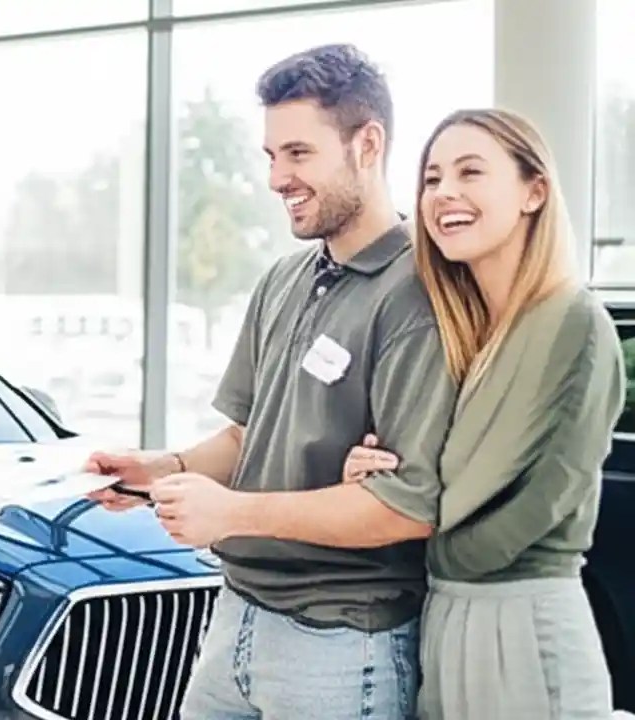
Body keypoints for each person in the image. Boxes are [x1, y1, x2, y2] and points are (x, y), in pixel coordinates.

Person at [86, 43, 457, 718]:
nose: (276, 178)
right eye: (270, 155)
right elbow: (245, 436)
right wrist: (162, 470)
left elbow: (403, 509)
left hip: (343, 645)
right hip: (236, 620)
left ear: (368, 145)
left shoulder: (418, 297)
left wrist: (230, 513)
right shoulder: (285, 279)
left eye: (298, 153)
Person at [339, 108, 626, 719]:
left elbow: (542, 499)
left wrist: (400, 510)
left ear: (534, 192)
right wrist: (373, 478)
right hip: (446, 624)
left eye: (470, 172)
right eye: (432, 178)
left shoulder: (574, 322)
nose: (444, 193)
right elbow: (425, 480)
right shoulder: (458, 332)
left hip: (524, 627)